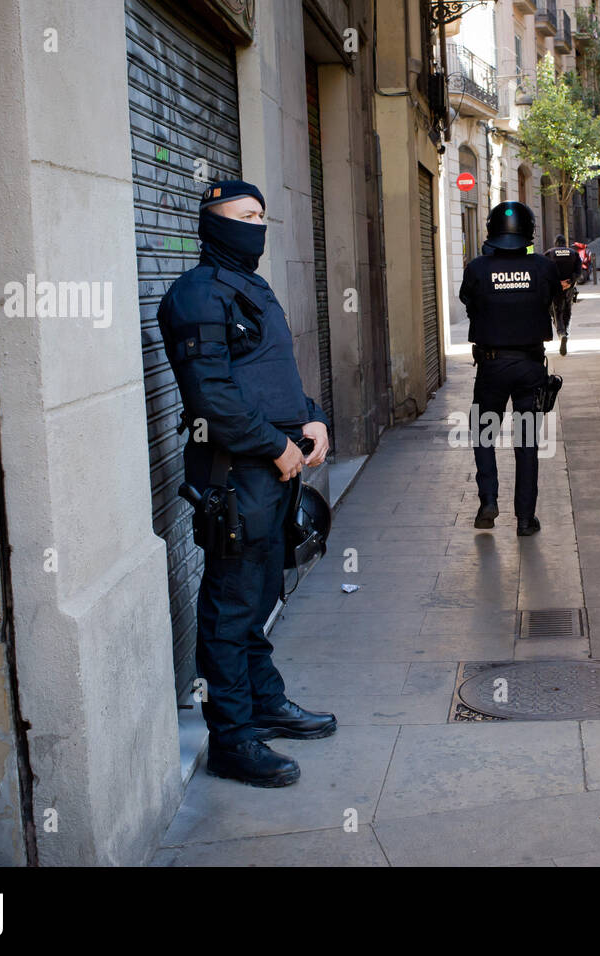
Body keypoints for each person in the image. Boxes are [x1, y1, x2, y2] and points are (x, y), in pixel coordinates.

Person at [158, 180, 337, 788]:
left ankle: (264, 703)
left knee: (261, 597)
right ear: (211, 223)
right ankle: (232, 738)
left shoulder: (252, 287)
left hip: (273, 473)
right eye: (242, 216)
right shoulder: (196, 296)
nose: (255, 226)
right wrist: (277, 446)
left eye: (261, 215)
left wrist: (311, 416)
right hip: (235, 476)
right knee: (231, 607)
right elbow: (212, 398)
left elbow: (271, 376)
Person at [460, 201, 566, 535]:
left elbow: (468, 301)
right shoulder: (543, 267)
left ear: (491, 230)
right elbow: (554, 300)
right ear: (529, 230)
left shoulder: (477, 268)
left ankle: (488, 501)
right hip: (530, 366)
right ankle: (525, 518)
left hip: (491, 367)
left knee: (483, 434)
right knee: (526, 443)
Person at [544, 234, 581, 355]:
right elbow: (578, 271)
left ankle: (561, 334)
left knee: (556, 311)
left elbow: (544, 270)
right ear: (565, 243)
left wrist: (557, 282)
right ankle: (566, 334)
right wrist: (569, 282)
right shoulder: (573, 253)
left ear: (555, 243)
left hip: (555, 288)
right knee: (567, 311)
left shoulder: (549, 253)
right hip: (569, 288)